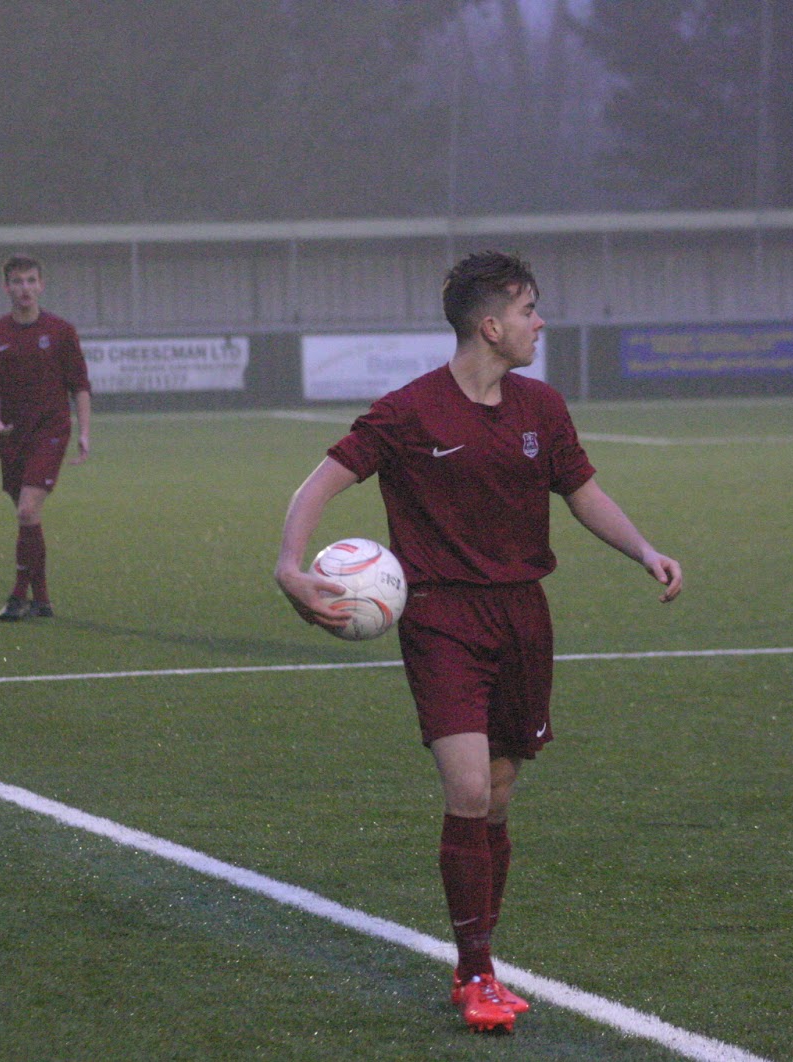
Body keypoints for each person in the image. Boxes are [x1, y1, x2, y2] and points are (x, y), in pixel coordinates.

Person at [274, 251, 683, 1033]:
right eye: (530, 310)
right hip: (441, 619)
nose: (539, 323)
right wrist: (290, 568)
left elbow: (583, 492)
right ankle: (475, 975)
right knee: (466, 791)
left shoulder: (542, 408)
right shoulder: (408, 411)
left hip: (523, 617)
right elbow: (319, 482)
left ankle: (481, 955)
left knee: (496, 798)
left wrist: (644, 550)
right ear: (491, 325)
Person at [0, 254, 91, 620]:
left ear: (41, 285)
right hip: (13, 435)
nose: (24, 288)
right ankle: (42, 599)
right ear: (6, 287)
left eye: (30, 281)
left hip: (50, 431)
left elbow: (81, 387)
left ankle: (17, 596)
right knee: (29, 517)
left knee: (27, 510)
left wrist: (84, 432)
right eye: (17, 281)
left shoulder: (60, 331)